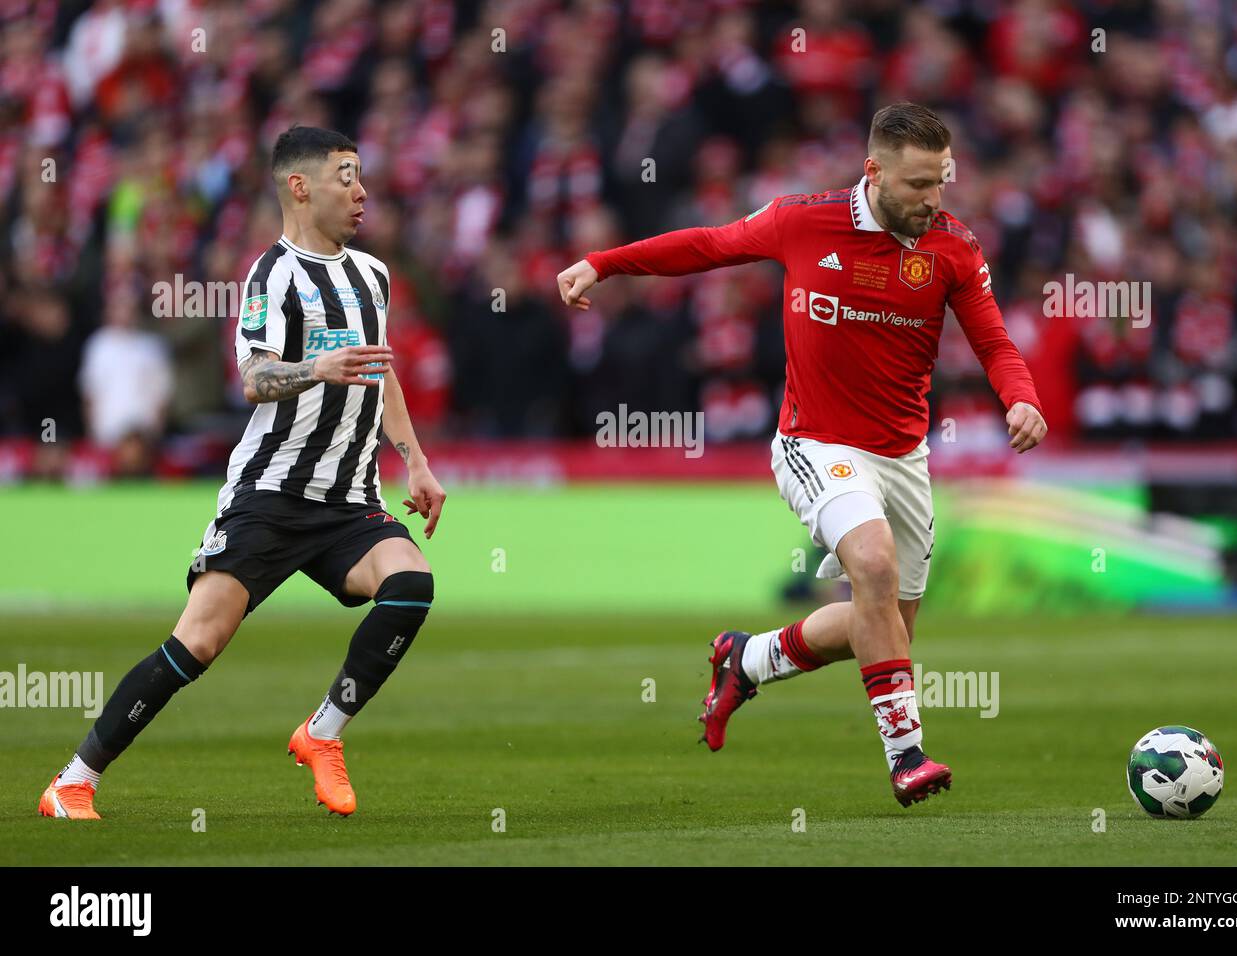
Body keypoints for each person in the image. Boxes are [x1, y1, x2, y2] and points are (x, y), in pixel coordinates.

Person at [557, 103, 1047, 807]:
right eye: (917, 185)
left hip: (904, 457)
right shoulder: (802, 221)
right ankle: (906, 756)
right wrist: (602, 264)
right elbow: (706, 245)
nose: (932, 199)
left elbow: (996, 344)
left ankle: (747, 659)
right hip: (814, 441)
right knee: (872, 567)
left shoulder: (954, 247)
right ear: (873, 171)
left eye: (940, 182)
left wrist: (1020, 397)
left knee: (884, 626)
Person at [40, 125, 446, 819]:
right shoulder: (271, 276)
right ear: (300, 186)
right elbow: (255, 378)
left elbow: (383, 378)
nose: (361, 192)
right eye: (345, 176)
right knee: (197, 643)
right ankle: (74, 779)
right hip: (271, 495)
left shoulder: (372, 276)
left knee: (411, 584)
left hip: (349, 501)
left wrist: (416, 461)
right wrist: (315, 367)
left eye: (361, 176)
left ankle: (322, 733)